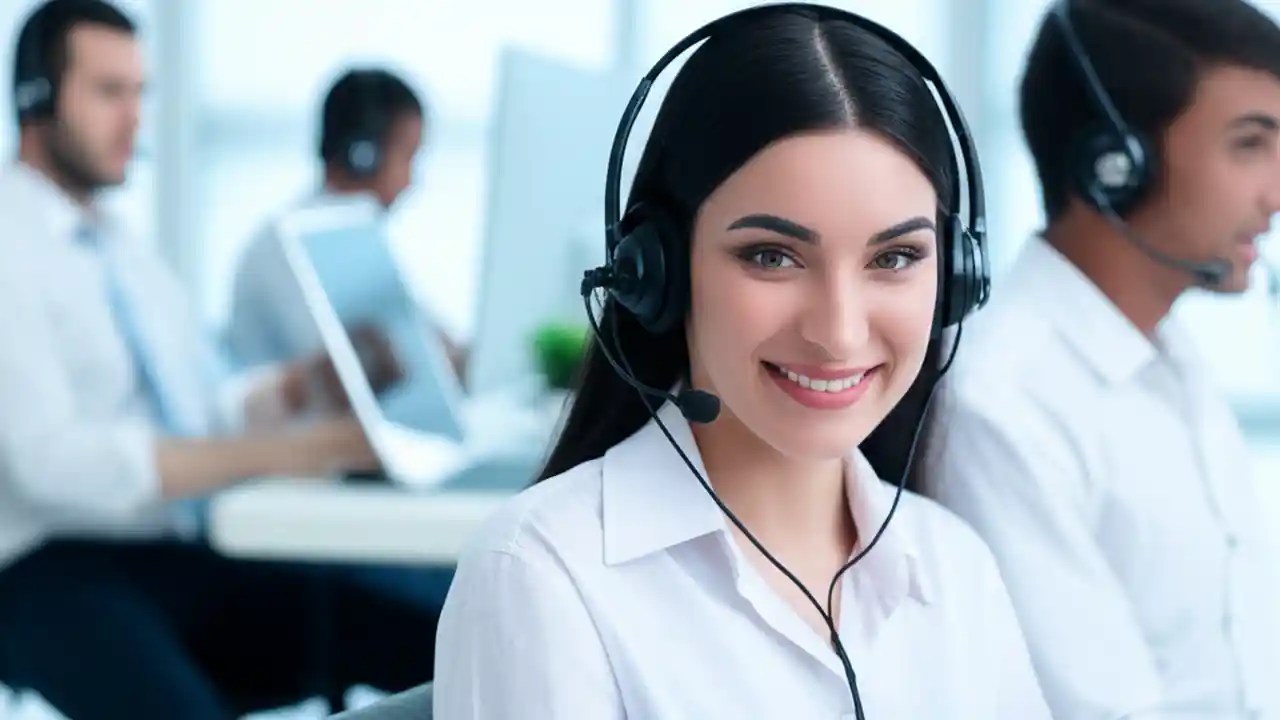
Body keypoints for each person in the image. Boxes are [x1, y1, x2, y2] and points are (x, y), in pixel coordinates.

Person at [432, 5, 1051, 718]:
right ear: (656, 272)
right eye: (772, 256)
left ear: (957, 278)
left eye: (895, 257)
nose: (840, 333)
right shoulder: (544, 574)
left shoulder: (953, 565)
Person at [0, 2, 437, 718]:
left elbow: (207, 404)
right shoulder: (9, 244)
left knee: (429, 632)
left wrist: (299, 387)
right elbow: (50, 463)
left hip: (175, 552)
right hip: (48, 567)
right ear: (36, 99)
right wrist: (286, 453)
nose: (135, 117)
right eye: (111, 92)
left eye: (141, 93)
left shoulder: (121, 246)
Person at [920, 0, 1280, 717]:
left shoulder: (1167, 355)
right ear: (1115, 163)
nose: (1276, 192)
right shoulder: (1003, 402)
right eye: (1249, 145)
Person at [224, 67, 468, 380]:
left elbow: (424, 331)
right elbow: (354, 370)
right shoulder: (288, 243)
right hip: (296, 427)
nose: (411, 181)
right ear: (363, 155)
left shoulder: (350, 238)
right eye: (407, 158)